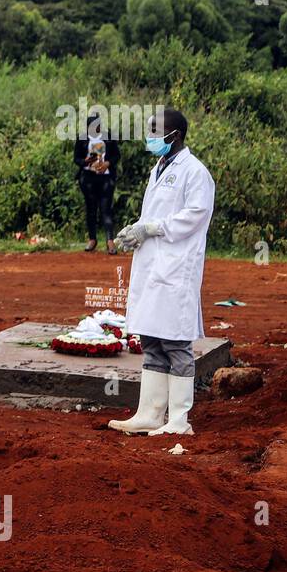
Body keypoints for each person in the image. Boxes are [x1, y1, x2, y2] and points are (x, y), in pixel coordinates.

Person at [109, 108, 215, 437]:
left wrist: (153, 227)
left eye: (156, 130)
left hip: (176, 268)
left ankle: (179, 421)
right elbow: (153, 215)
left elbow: (195, 215)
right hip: (152, 265)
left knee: (176, 343)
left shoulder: (195, 173)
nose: (150, 136)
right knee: (151, 340)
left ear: (176, 135)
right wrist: (137, 232)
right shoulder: (160, 166)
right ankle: (149, 413)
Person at [75, 112, 120, 254]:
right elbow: (76, 158)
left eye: (98, 126)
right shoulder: (82, 139)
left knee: (106, 209)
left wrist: (107, 163)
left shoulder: (109, 137)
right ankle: (92, 240)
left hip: (106, 178)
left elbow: (116, 155)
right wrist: (86, 162)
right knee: (91, 209)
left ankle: (110, 242)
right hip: (88, 179)